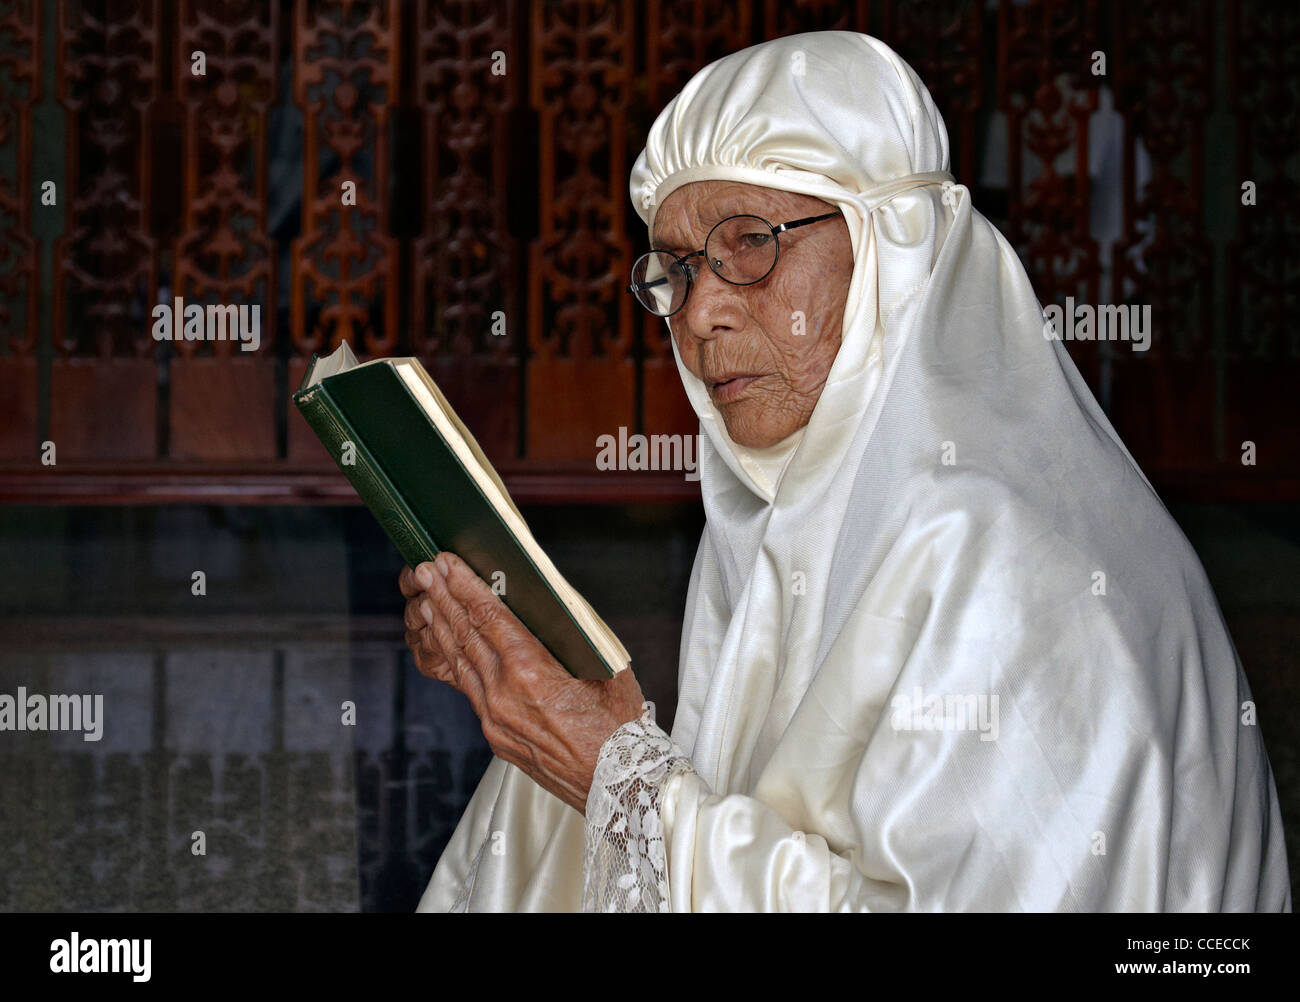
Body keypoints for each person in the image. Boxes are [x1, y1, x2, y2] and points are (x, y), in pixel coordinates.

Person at [401, 30, 1291, 911]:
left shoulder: (1003, 549)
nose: (701, 310)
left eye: (749, 241)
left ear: (892, 252)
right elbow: (752, 830)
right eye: (675, 267)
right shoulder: (786, 512)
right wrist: (556, 712)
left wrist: (609, 771)